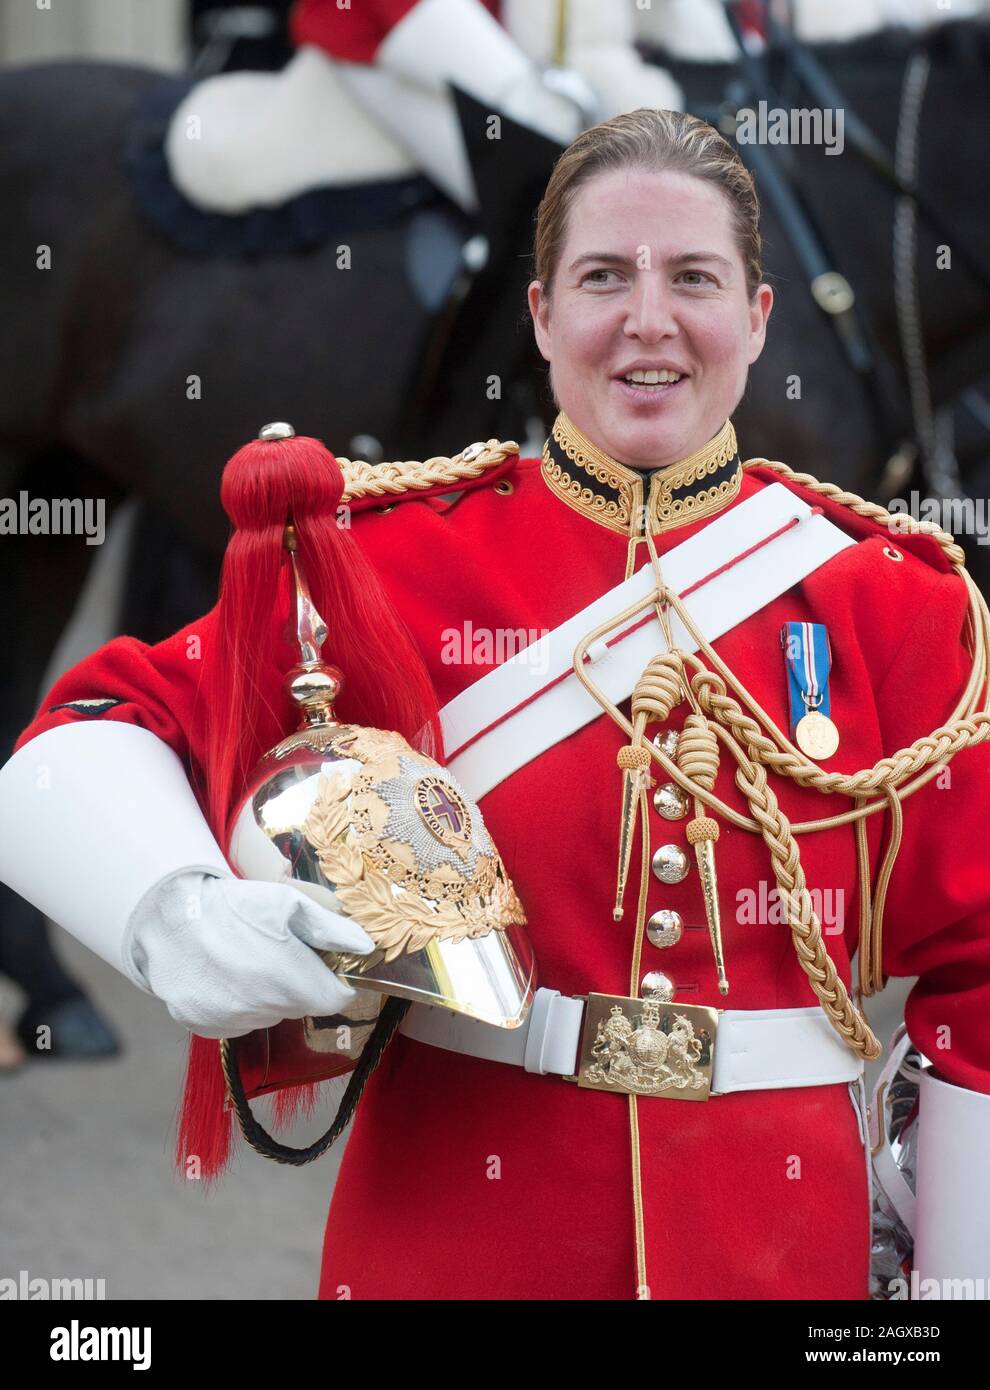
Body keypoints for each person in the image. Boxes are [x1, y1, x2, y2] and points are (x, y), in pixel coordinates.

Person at [2, 108, 989, 1301]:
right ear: (540, 316)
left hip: (779, 1252)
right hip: (458, 1247)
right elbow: (85, 733)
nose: (648, 319)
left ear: (758, 317)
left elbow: (981, 964)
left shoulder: (892, 597)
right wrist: (174, 909)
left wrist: (956, 1278)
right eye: (603, 278)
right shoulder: (389, 561)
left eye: (694, 278)